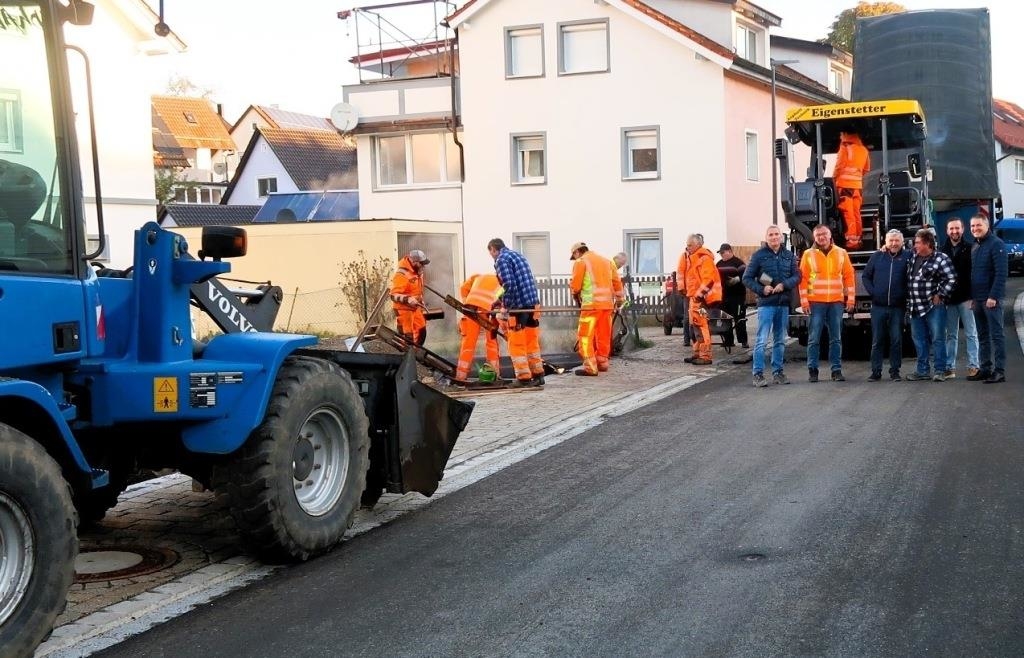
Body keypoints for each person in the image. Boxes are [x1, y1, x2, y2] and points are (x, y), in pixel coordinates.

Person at [743, 225, 800, 387]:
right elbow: (747, 278)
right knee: (761, 340)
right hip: (766, 304)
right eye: (771, 235)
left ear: (781, 237)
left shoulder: (789, 256)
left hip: (783, 304)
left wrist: (784, 285)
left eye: (776, 234)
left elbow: (797, 276)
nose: (774, 237)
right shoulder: (758, 256)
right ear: (766, 238)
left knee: (779, 340)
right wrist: (762, 289)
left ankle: (778, 372)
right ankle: (758, 374)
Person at [799, 224, 855, 382]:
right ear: (814, 237)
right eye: (818, 235)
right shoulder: (808, 254)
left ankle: (836, 370)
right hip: (816, 302)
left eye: (824, 234)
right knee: (814, 338)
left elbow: (849, 276)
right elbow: (803, 279)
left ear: (830, 235)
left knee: (836, 338)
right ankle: (813, 370)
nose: (821, 237)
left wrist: (850, 299)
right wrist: (804, 301)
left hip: (836, 302)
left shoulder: (841, 253)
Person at [488, 238, 545, 387]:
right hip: (532, 305)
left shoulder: (501, 259)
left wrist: (505, 306)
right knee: (531, 342)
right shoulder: (518, 255)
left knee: (516, 343)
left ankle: (524, 378)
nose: (491, 256)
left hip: (518, 307)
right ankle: (538, 375)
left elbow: (509, 284)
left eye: (491, 253)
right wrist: (499, 299)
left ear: (493, 249)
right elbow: (518, 283)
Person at [905, 228, 956, 381]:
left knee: (938, 339)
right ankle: (922, 371)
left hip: (934, 307)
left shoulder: (941, 258)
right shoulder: (913, 257)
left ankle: (940, 370)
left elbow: (951, 278)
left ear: (928, 244)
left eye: (918, 243)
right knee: (919, 340)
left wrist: (940, 294)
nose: (915, 245)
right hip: (915, 306)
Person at [862, 229, 910, 381]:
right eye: (891, 240)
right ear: (885, 242)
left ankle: (895, 371)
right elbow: (866, 276)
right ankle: (876, 372)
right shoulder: (877, 256)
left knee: (896, 340)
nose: (894, 243)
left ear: (902, 242)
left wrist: (905, 294)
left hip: (898, 307)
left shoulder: (908, 256)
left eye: (897, 240)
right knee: (877, 340)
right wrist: (873, 292)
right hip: (878, 307)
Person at [569, 242, 622, 376]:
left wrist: (573, 290)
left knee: (585, 336)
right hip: (607, 306)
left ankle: (590, 367)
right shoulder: (607, 262)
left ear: (577, 252)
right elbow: (617, 282)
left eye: (574, 256)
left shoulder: (581, 262)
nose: (575, 259)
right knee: (603, 335)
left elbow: (576, 286)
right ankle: (602, 363)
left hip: (591, 307)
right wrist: (619, 299)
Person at [968, 213, 1008, 383]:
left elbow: (1001, 273)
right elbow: (973, 273)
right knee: (982, 336)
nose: (975, 228)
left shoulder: (996, 244)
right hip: (977, 299)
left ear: (987, 226)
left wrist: (993, 296)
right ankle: (985, 369)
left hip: (991, 300)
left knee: (997, 336)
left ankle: (999, 371)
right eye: (972, 226)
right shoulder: (975, 246)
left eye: (979, 225)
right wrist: (972, 298)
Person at [939, 218, 980, 379]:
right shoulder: (942, 251)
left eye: (957, 228)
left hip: (966, 298)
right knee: (951, 335)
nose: (954, 231)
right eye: (951, 229)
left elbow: (975, 274)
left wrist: (973, 296)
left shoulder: (971, 248)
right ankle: (950, 368)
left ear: (963, 229)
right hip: (949, 300)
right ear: (947, 231)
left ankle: (974, 366)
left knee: (971, 333)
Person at [679, 233, 722, 366]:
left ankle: (705, 356)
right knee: (695, 326)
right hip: (694, 297)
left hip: (701, 299)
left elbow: (708, 280)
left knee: (701, 326)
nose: (688, 247)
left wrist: (698, 296)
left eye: (690, 245)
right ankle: (698, 353)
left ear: (698, 244)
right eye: (687, 245)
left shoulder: (704, 258)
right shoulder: (693, 257)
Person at [454, 273, 502, 383]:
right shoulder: (504, 283)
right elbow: (501, 304)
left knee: (468, 342)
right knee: (491, 341)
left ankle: (461, 376)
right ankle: (494, 373)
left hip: (471, 308)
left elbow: (463, 287)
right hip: (488, 308)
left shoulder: (478, 276)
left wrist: (466, 301)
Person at [833, 130, 870, 250]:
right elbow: (866, 169)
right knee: (856, 212)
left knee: (847, 212)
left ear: (845, 134)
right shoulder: (863, 150)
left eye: (841, 134)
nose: (840, 137)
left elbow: (839, 165)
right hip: (857, 187)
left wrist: (834, 178)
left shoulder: (845, 147)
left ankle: (852, 241)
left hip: (845, 186)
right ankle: (858, 238)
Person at [390, 249, 429, 346]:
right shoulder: (401, 275)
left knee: (421, 331)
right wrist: (408, 299)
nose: (423, 266)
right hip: (403, 310)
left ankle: (416, 352)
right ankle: (405, 353)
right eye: (421, 264)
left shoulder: (418, 272)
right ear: (414, 262)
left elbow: (417, 290)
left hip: (414, 308)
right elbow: (393, 295)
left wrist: (420, 300)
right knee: (408, 336)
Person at [715, 243, 748, 349]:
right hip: (723, 296)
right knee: (725, 319)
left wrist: (737, 279)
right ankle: (728, 341)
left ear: (729, 251)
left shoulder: (738, 263)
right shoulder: (718, 264)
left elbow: (746, 276)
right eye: (720, 253)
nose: (721, 255)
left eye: (723, 252)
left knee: (739, 318)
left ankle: (743, 341)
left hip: (737, 296)